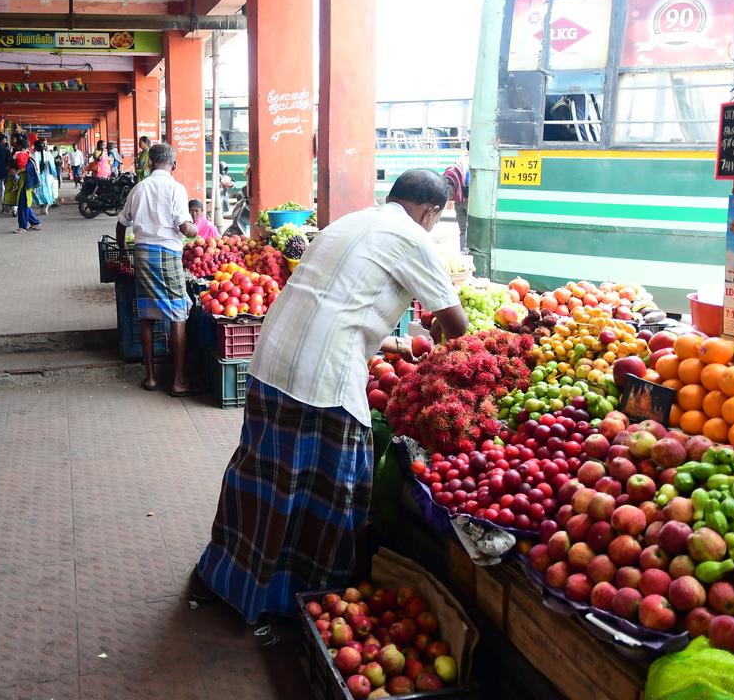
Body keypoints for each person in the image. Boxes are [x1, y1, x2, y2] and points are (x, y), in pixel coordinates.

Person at [192, 169, 468, 623]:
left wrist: (396, 340)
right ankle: (311, 603)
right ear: (431, 211)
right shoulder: (413, 238)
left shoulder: (350, 221)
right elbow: (456, 327)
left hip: (271, 359)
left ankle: (226, 578)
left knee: (264, 481)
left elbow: (338, 301)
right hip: (322, 378)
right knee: (335, 490)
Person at [116, 143, 196, 395]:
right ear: (173, 164)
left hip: (142, 254)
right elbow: (184, 227)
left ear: (150, 163)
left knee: (147, 313)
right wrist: (196, 230)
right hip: (167, 254)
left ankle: (150, 377)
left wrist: (122, 252)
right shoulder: (176, 189)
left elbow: (121, 225)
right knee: (179, 313)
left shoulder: (139, 188)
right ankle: (178, 380)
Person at [12, 143, 41, 233]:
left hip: (26, 185)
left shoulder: (28, 158)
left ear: (22, 147)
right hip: (23, 185)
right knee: (24, 205)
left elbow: (28, 169)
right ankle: (35, 223)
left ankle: (22, 227)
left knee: (23, 205)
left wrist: (18, 170)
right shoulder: (24, 156)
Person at [443, 164, 470, 253]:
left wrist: (449, 200)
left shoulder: (451, 171)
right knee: (471, 229)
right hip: (467, 201)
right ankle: (468, 251)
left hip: (458, 202)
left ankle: (463, 252)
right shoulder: (467, 167)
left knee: (462, 230)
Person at [32, 140, 59, 214]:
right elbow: (53, 167)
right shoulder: (48, 154)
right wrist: (55, 175)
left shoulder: (34, 155)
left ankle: (43, 206)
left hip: (39, 176)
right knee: (46, 192)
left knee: (39, 193)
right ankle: (45, 207)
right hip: (46, 176)